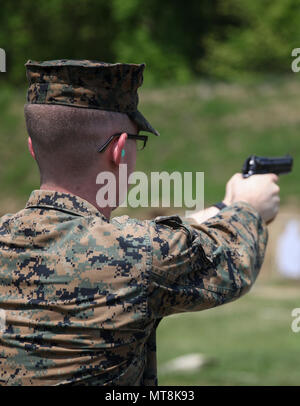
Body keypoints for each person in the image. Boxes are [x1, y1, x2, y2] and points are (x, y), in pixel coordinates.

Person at [0, 59, 279, 386]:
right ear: (119, 150)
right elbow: (235, 261)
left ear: (33, 148)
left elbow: (120, 245)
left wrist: (216, 212)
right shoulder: (144, 253)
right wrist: (249, 207)